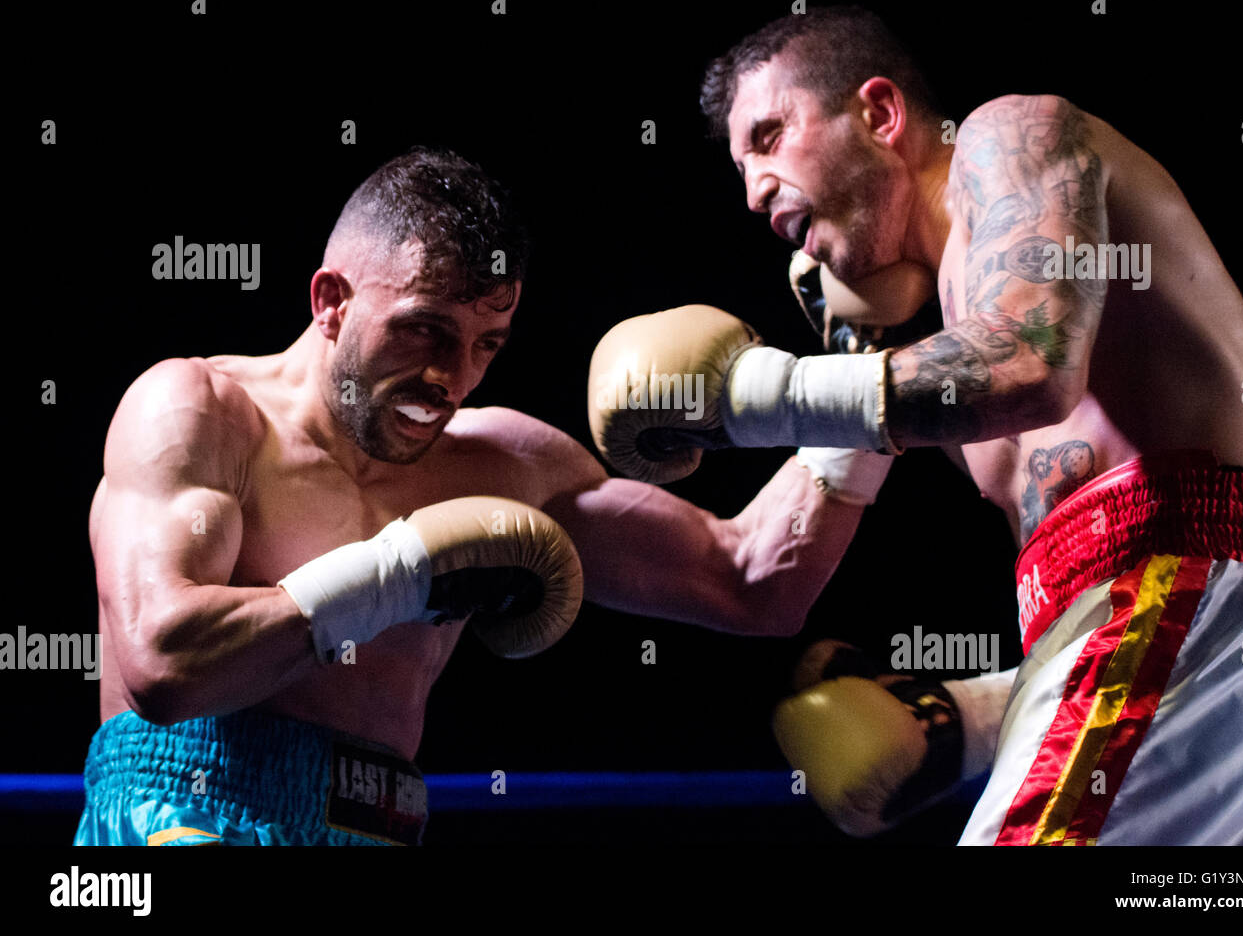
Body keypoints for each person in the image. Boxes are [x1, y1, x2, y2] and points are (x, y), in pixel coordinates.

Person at [587, 7, 1243, 844]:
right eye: (742, 168)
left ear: (880, 113)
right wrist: (963, 720)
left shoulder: (1013, 136)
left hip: (1184, 592)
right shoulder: (922, 354)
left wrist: (745, 395)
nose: (753, 192)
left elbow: (1032, 364)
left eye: (770, 137)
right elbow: (763, 579)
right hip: (1177, 626)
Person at [76, 147, 891, 846]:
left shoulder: (502, 462)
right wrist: (396, 572)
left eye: (485, 344)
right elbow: (163, 663)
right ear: (330, 301)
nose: (451, 376)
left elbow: (752, 578)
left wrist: (859, 382)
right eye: (423, 328)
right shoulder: (201, 411)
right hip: (177, 816)